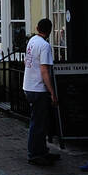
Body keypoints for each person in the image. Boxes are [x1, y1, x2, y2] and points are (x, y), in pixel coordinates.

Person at [23, 19, 57, 165]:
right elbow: (45, 71)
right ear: (49, 30)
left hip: (28, 86)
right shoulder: (45, 46)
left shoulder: (32, 41)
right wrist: (52, 92)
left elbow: (27, 61)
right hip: (38, 89)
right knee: (38, 123)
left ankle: (41, 150)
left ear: (37, 27)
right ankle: (34, 154)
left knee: (40, 121)